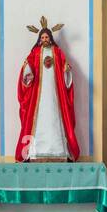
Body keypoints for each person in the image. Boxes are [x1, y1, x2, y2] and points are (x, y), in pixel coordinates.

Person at [15, 16, 80, 162]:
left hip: (54, 94)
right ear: (39, 38)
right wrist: (27, 72)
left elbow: (65, 69)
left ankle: (59, 152)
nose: (45, 38)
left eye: (47, 36)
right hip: (38, 94)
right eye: (42, 37)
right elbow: (27, 70)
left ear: (50, 38)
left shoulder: (57, 52)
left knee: (55, 117)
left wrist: (66, 71)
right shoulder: (35, 53)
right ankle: (34, 153)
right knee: (36, 119)